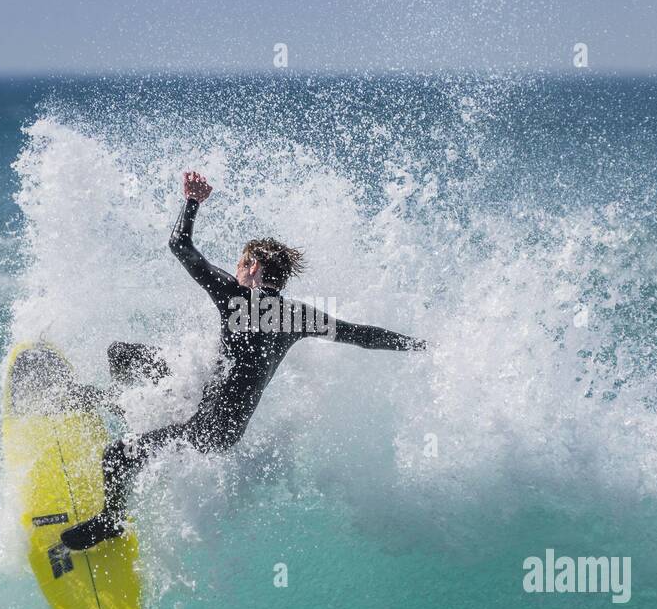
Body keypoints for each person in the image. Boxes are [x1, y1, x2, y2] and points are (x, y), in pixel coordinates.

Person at [59, 170, 425, 551]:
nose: (236, 268)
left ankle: (111, 520)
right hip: (217, 416)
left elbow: (180, 245)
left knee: (117, 454)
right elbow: (363, 336)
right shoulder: (296, 316)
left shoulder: (236, 297)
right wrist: (418, 345)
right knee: (125, 354)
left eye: (239, 262)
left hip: (207, 432)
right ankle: (120, 405)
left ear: (252, 266)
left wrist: (192, 202)